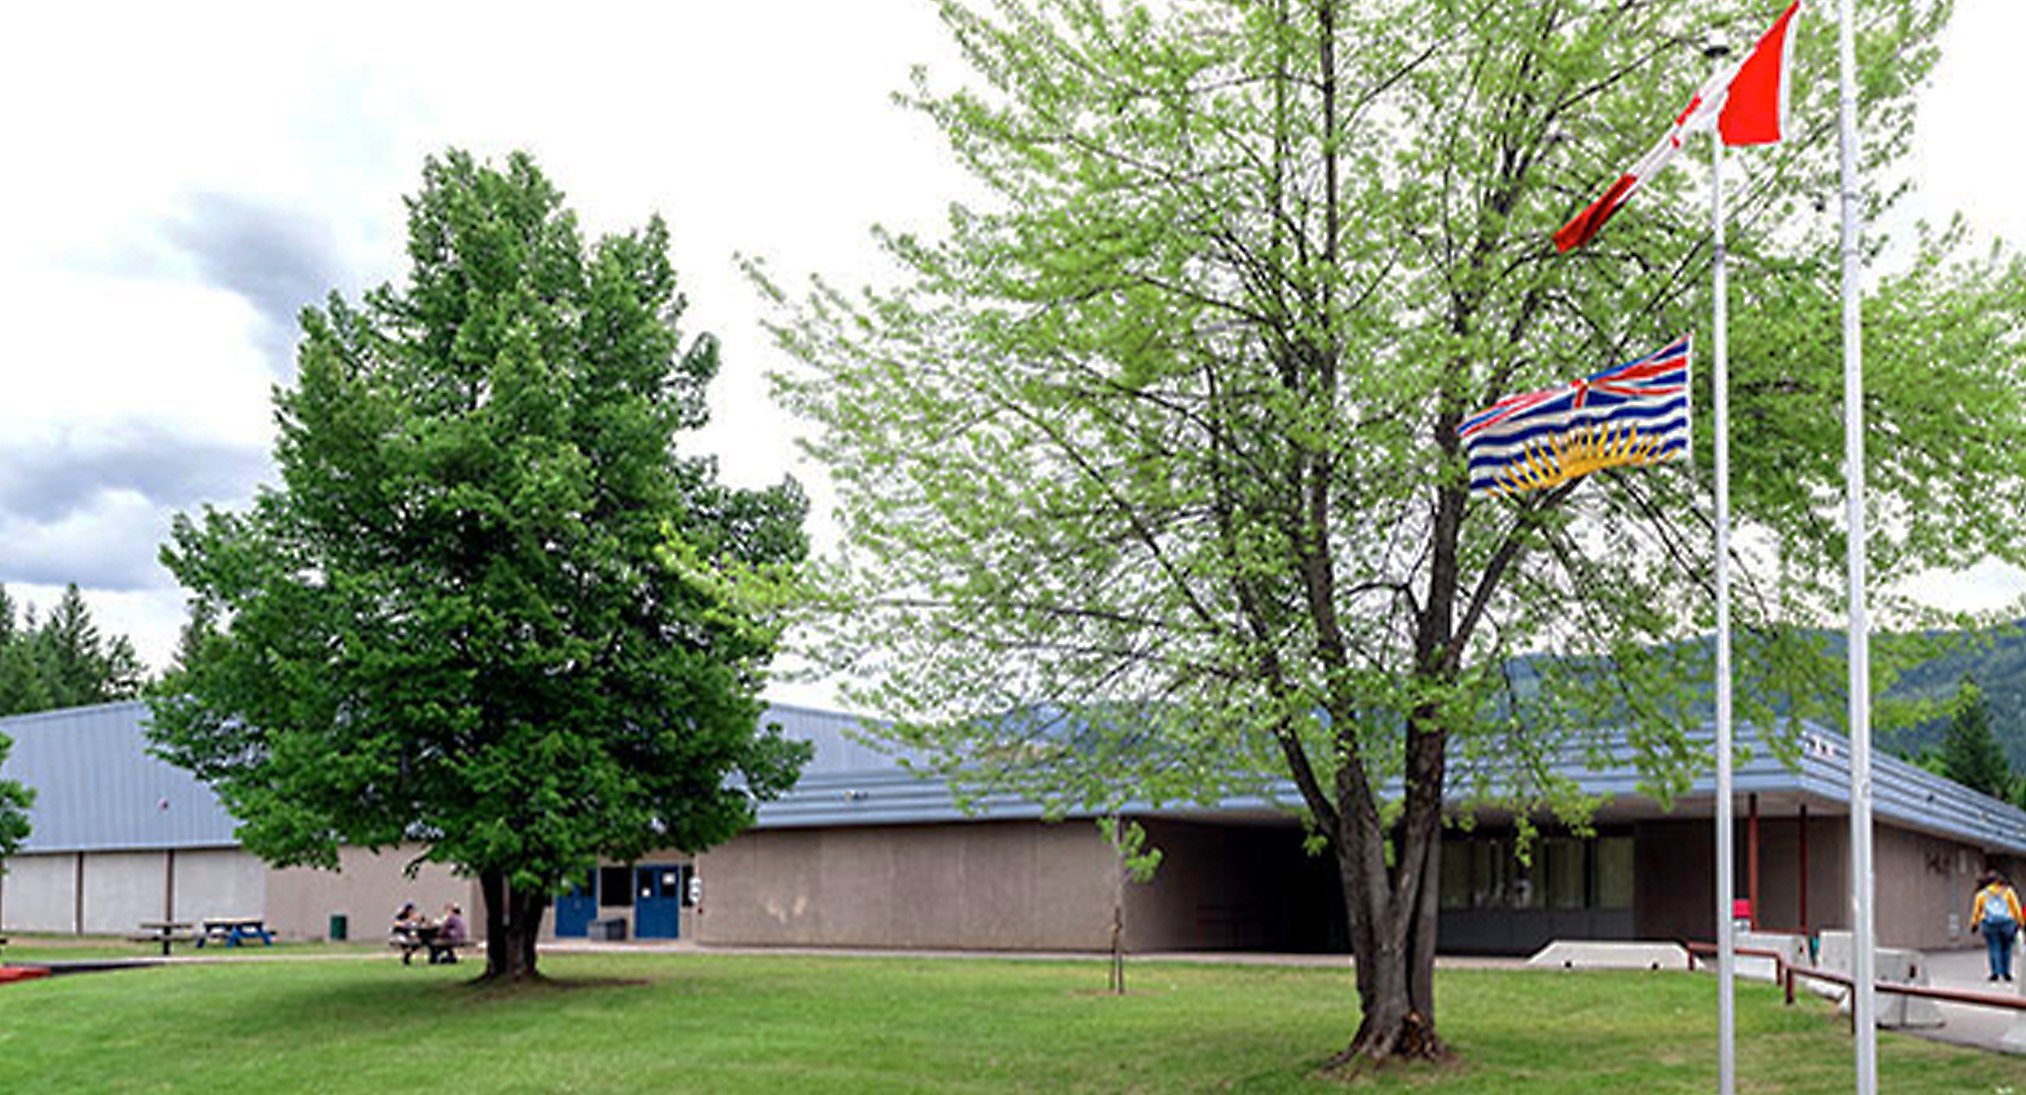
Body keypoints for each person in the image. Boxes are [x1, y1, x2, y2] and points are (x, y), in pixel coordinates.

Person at [1971, 870, 2022, 982]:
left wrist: (1974, 923)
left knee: (1994, 947)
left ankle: (1995, 972)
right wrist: (2020, 921)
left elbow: (1977, 911)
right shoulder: (2008, 892)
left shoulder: (1982, 894)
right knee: (2007, 947)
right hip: (2007, 922)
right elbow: (2016, 907)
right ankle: (2006, 972)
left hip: (1989, 924)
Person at [390, 901, 424, 966]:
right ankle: (406, 958)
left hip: (409, 935)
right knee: (407, 945)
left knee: (418, 943)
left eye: (413, 910)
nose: (412, 911)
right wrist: (407, 922)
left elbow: (420, 922)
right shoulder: (402, 916)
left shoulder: (415, 917)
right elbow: (397, 923)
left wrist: (419, 920)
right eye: (411, 910)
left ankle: (406, 958)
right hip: (400, 934)